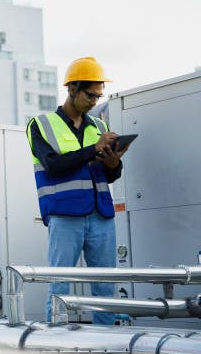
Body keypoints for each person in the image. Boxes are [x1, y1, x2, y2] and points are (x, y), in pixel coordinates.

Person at [26, 57, 129, 324]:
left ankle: (106, 341)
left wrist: (114, 163)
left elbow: (110, 175)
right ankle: (54, 341)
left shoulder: (100, 127)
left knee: (105, 287)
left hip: (101, 215)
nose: (94, 101)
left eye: (98, 96)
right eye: (89, 95)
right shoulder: (41, 124)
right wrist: (94, 149)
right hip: (64, 215)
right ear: (72, 89)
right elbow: (53, 166)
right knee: (59, 285)